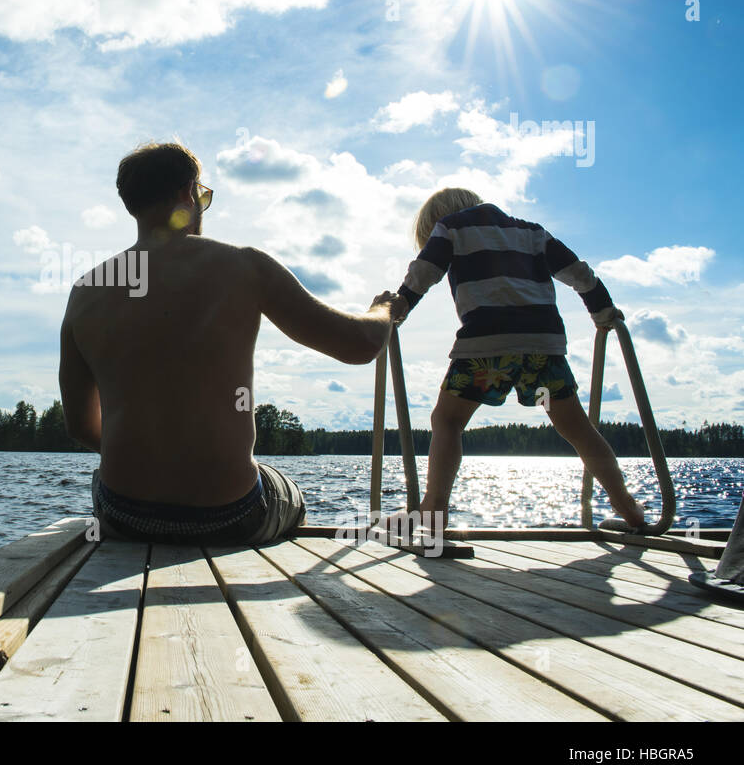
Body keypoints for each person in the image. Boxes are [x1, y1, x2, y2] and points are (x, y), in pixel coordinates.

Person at [59, 140, 405, 545]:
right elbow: (359, 344)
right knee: (284, 489)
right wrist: (383, 311)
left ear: (132, 204)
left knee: (106, 481)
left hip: (124, 514)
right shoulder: (244, 265)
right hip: (228, 516)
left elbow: (80, 426)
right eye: (203, 196)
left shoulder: (86, 291)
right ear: (189, 192)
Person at [384, 187, 649, 537]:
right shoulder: (532, 231)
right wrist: (603, 312)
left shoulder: (449, 228)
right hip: (544, 345)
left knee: (447, 420)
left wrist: (397, 306)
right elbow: (579, 272)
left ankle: (433, 512)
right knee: (576, 427)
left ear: (436, 220)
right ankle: (627, 507)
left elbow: (424, 272)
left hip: (485, 343)